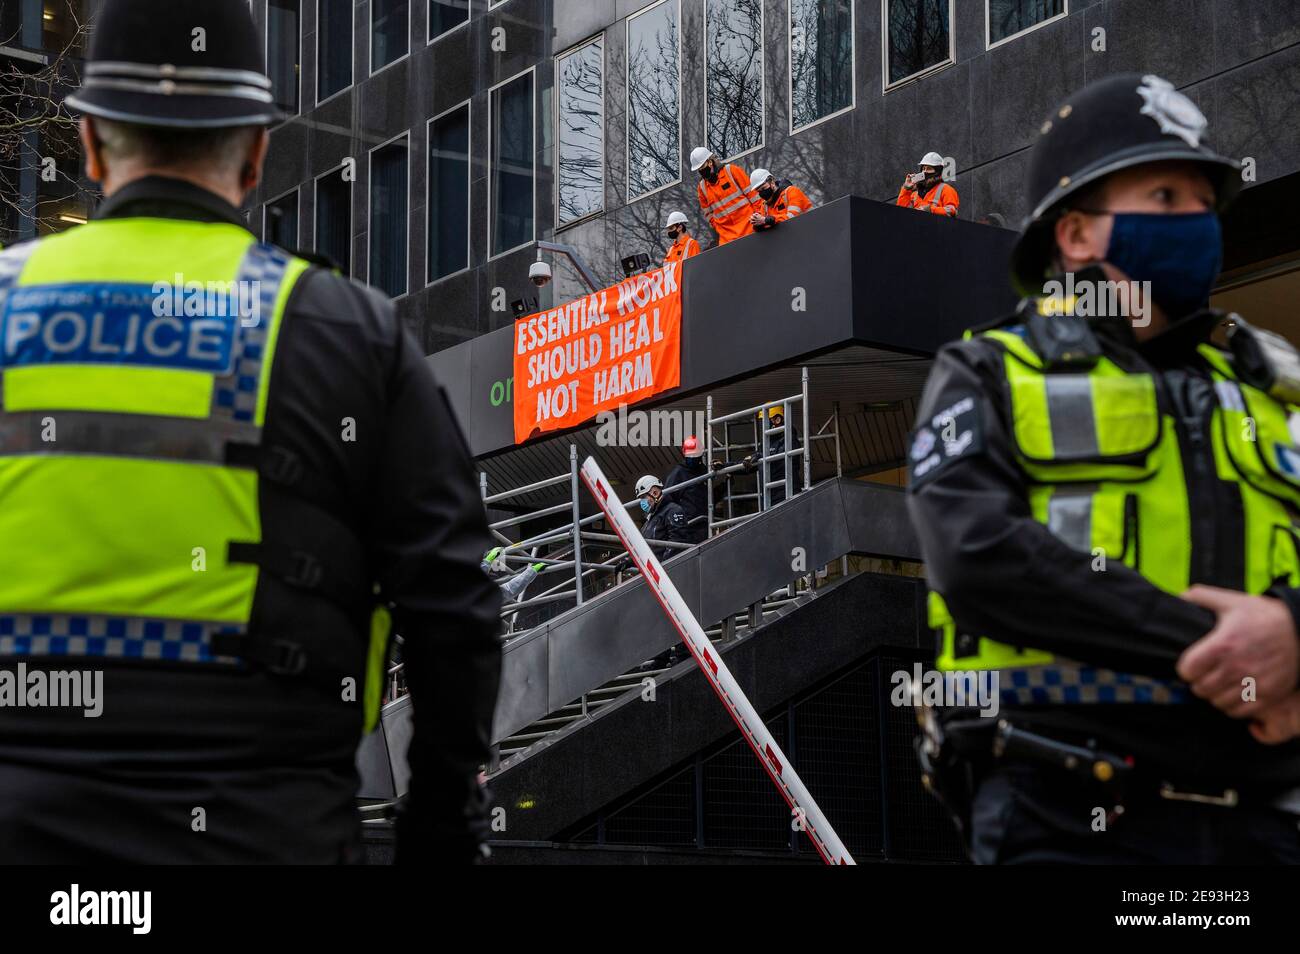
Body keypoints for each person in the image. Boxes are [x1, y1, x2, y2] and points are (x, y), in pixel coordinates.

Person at [0, 0, 503, 864]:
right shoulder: (349, 333)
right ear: (256, 154)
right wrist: (441, 831)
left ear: (87, 145)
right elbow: (454, 607)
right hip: (264, 833)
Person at [907, 72, 1300, 865]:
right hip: (1064, 813)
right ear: (1077, 235)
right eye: (1163, 197)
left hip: (1268, 823)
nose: (1195, 220)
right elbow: (980, 555)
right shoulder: (988, 370)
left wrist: (1294, 632)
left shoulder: (1274, 386)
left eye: (1202, 202)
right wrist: (1235, 652)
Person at [690, 146, 757, 245]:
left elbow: (754, 197)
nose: (701, 171)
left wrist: (759, 220)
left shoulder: (731, 171)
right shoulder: (702, 188)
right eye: (698, 169)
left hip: (750, 228)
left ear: (710, 162)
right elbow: (709, 214)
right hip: (727, 240)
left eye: (702, 167)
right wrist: (719, 228)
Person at [745, 407, 803, 507]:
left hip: (788, 497)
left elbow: (782, 459)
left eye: (766, 421)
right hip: (769, 500)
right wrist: (724, 466)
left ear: (777, 420)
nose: (764, 426)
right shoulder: (765, 444)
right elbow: (750, 465)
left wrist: (760, 456)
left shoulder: (790, 439)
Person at [663, 436, 712, 543]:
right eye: (690, 455)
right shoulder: (677, 474)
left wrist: (724, 485)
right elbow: (667, 501)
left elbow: (707, 497)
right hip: (687, 528)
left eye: (694, 455)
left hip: (703, 526)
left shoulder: (704, 471)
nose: (692, 458)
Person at [635, 474, 691, 560]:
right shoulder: (650, 518)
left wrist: (663, 565)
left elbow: (677, 543)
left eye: (643, 497)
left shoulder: (673, 511)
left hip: (666, 569)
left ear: (655, 493)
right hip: (654, 568)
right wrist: (629, 561)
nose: (642, 502)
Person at [897, 151, 959, 218]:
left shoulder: (946, 189)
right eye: (923, 168)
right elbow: (901, 214)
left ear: (938, 171)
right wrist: (906, 189)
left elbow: (952, 211)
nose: (925, 171)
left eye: (929, 168)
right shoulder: (914, 195)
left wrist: (931, 210)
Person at [747, 168, 812, 231]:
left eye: (763, 188)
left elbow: (793, 218)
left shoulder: (791, 192)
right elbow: (766, 227)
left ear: (771, 181)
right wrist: (757, 225)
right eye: (759, 191)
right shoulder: (765, 206)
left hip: (809, 231)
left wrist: (767, 220)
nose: (762, 193)